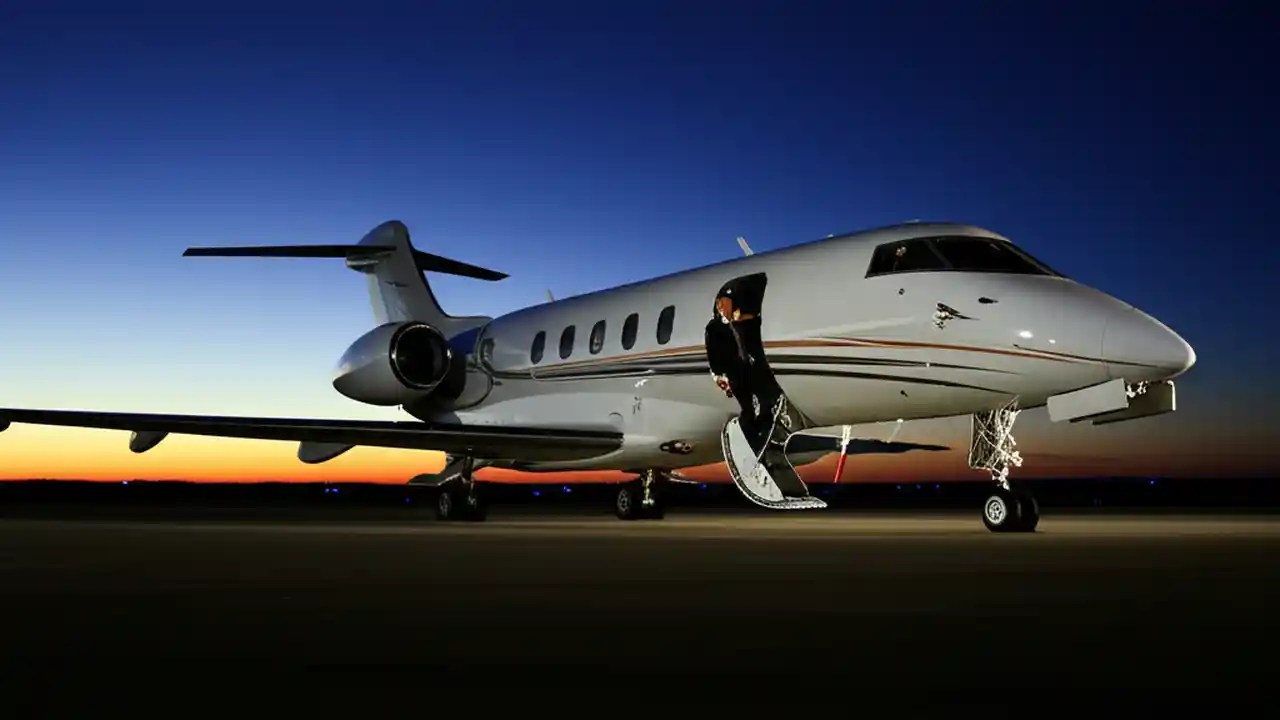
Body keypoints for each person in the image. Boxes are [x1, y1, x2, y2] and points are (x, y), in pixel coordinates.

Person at [704, 279, 785, 456]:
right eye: (721, 304)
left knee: (764, 403)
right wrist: (719, 376)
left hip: (745, 370)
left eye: (726, 304)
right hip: (733, 374)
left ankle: (763, 437)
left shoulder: (737, 325)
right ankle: (749, 443)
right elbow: (714, 356)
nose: (723, 308)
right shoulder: (714, 328)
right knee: (748, 410)